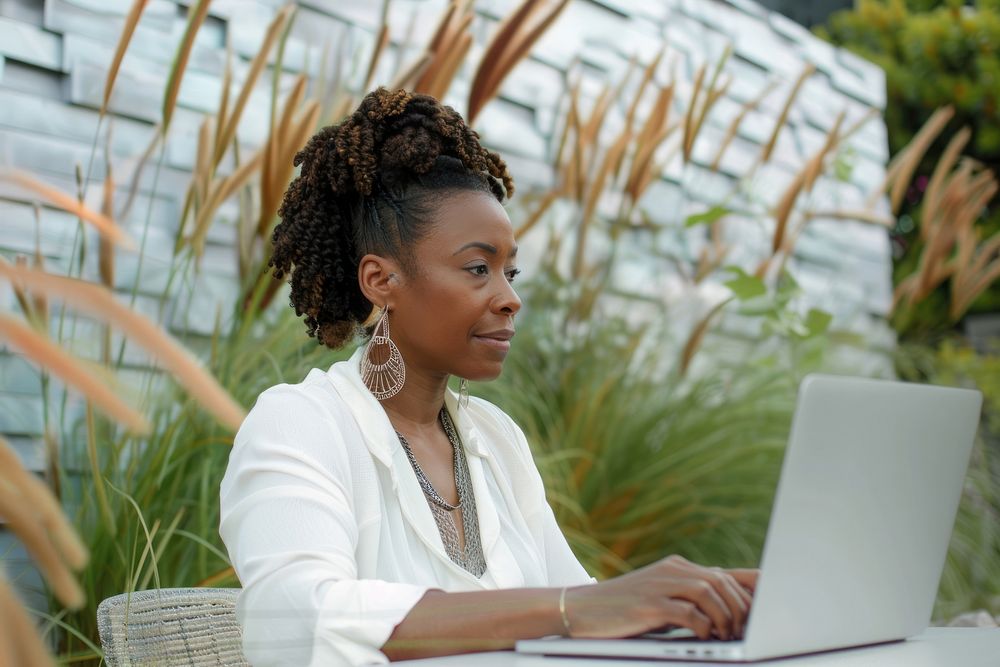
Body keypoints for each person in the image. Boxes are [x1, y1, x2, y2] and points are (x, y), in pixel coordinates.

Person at [219, 87, 757, 667]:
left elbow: (589, 609)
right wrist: (571, 611)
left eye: (510, 271)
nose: (510, 299)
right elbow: (297, 622)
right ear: (381, 281)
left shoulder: (495, 440)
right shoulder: (302, 424)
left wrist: (706, 595)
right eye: (478, 269)